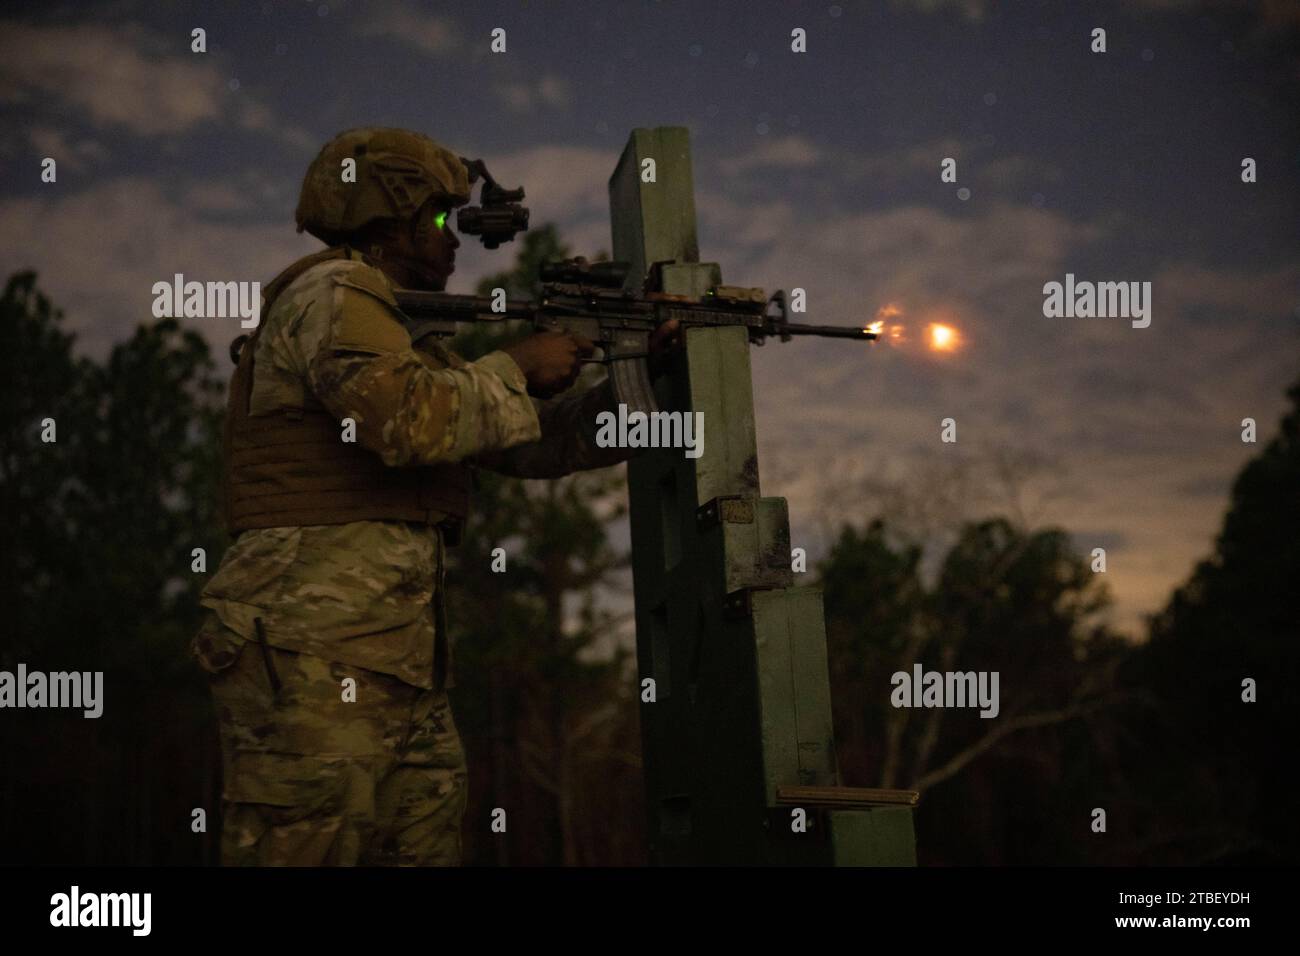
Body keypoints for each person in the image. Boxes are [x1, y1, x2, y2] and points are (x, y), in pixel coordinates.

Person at [189, 127, 681, 866]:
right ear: (388, 218)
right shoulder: (333, 291)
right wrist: (517, 364)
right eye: (443, 218)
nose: (458, 237)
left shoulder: (407, 334)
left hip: (401, 662)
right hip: (312, 650)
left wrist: (639, 372)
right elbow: (406, 422)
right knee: (303, 845)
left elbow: (532, 440)